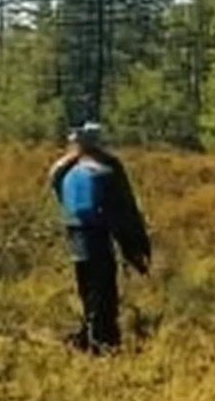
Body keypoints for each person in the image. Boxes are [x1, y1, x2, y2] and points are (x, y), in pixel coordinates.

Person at [48, 121, 151, 353]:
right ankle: (103, 344)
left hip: (75, 236)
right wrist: (136, 248)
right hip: (99, 237)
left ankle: (89, 336)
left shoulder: (63, 168)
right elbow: (125, 211)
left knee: (86, 287)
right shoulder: (108, 167)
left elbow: (59, 193)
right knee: (104, 289)